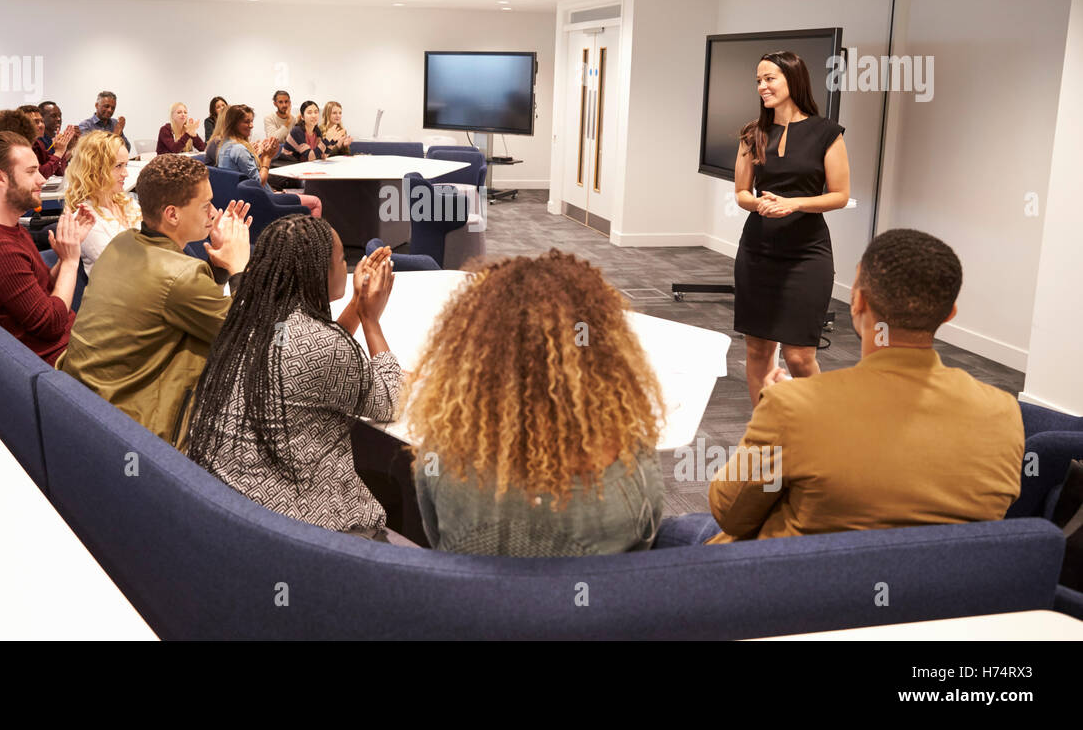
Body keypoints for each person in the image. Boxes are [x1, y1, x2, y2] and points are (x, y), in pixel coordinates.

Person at [707, 229, 1023, 544]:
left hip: (797, 585)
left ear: (858, 301)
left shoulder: (791, 405)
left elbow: (729, 511)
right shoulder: (1003, 412)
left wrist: (772, 418)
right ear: (950, 314)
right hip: (943, 590)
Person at [406, 251, 665, 556]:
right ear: (601, 354)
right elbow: (645, 545)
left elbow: (436, 540)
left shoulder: (440, 460)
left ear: (477, 354)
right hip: (600, 602)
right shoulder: (631, 468)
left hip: (473, 603)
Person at [186, 216, 407, 542]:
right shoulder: (321, 345)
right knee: (392, 488)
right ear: (319, 271)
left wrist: (357, 305)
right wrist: (371, 320)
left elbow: (308, 366)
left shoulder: (246, 314)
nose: (345, 264)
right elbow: (388, 400)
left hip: (235, 503)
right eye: (340, 258)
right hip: (295, 527)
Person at [59, 156, 252, 446]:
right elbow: (248, 335)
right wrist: (240, 267)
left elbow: (180, 300)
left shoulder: (122, 242)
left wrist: (220, 268)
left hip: (82, 403)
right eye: (205, 206)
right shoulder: (182, 275)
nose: (213, 213)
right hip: (132, 428)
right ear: (172, 215)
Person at [732, 50, 850, 407]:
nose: (762, 87)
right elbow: (741, 193)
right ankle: (765, 431)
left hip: (807, 253)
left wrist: (793, 203)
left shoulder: (827, 132)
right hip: (758, 251)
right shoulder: (753, 134)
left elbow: (841, 195)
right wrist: (761, 204)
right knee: (757, 351)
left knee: (799, 356)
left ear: (792, 81)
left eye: (770, 79)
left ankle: (821, 431)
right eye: (758, 81)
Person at [0, 131, 93, 365]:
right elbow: (50, 324)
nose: (42, 179)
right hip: (65, 361)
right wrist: (72, 262)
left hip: (73, 345)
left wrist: (65, 253)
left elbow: (43, 288)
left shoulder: (9, 228)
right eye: (31, 172)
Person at [214, 105, 323, 217]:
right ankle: (315, 233)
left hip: (245, 198)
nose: (251, 126)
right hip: (262, 202)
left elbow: (250, 177)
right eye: (246, 122)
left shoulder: (224, 146)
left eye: (251, 121)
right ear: (233, 124)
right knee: (316, 202)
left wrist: (261, 157)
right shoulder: (240, 149)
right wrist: (267, 158)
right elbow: (258, 183)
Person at [62, 131, 141, 275]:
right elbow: (121, 267)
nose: (126, 173)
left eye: (125, 165)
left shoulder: (128, 203)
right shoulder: (84, 219)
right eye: (118, 166)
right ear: (95, 169)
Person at [18, 104, 74, 178]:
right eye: (36, 122)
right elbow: (39, 174)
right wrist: (58, 153)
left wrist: (61, 149)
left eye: (42, 121)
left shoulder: (38, 144)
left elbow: (59, 172)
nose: (41, 125)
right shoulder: (19, 147)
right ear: (23, 125)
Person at [263, 89, 294, 158]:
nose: (284, 105)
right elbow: (273, 139)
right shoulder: (269, 118)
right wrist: (287, 122)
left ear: (290, 103)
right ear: (275, 104)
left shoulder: (294, 120)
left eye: (286, 102)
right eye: (280, 102)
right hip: (275, 156)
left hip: (291, 155)